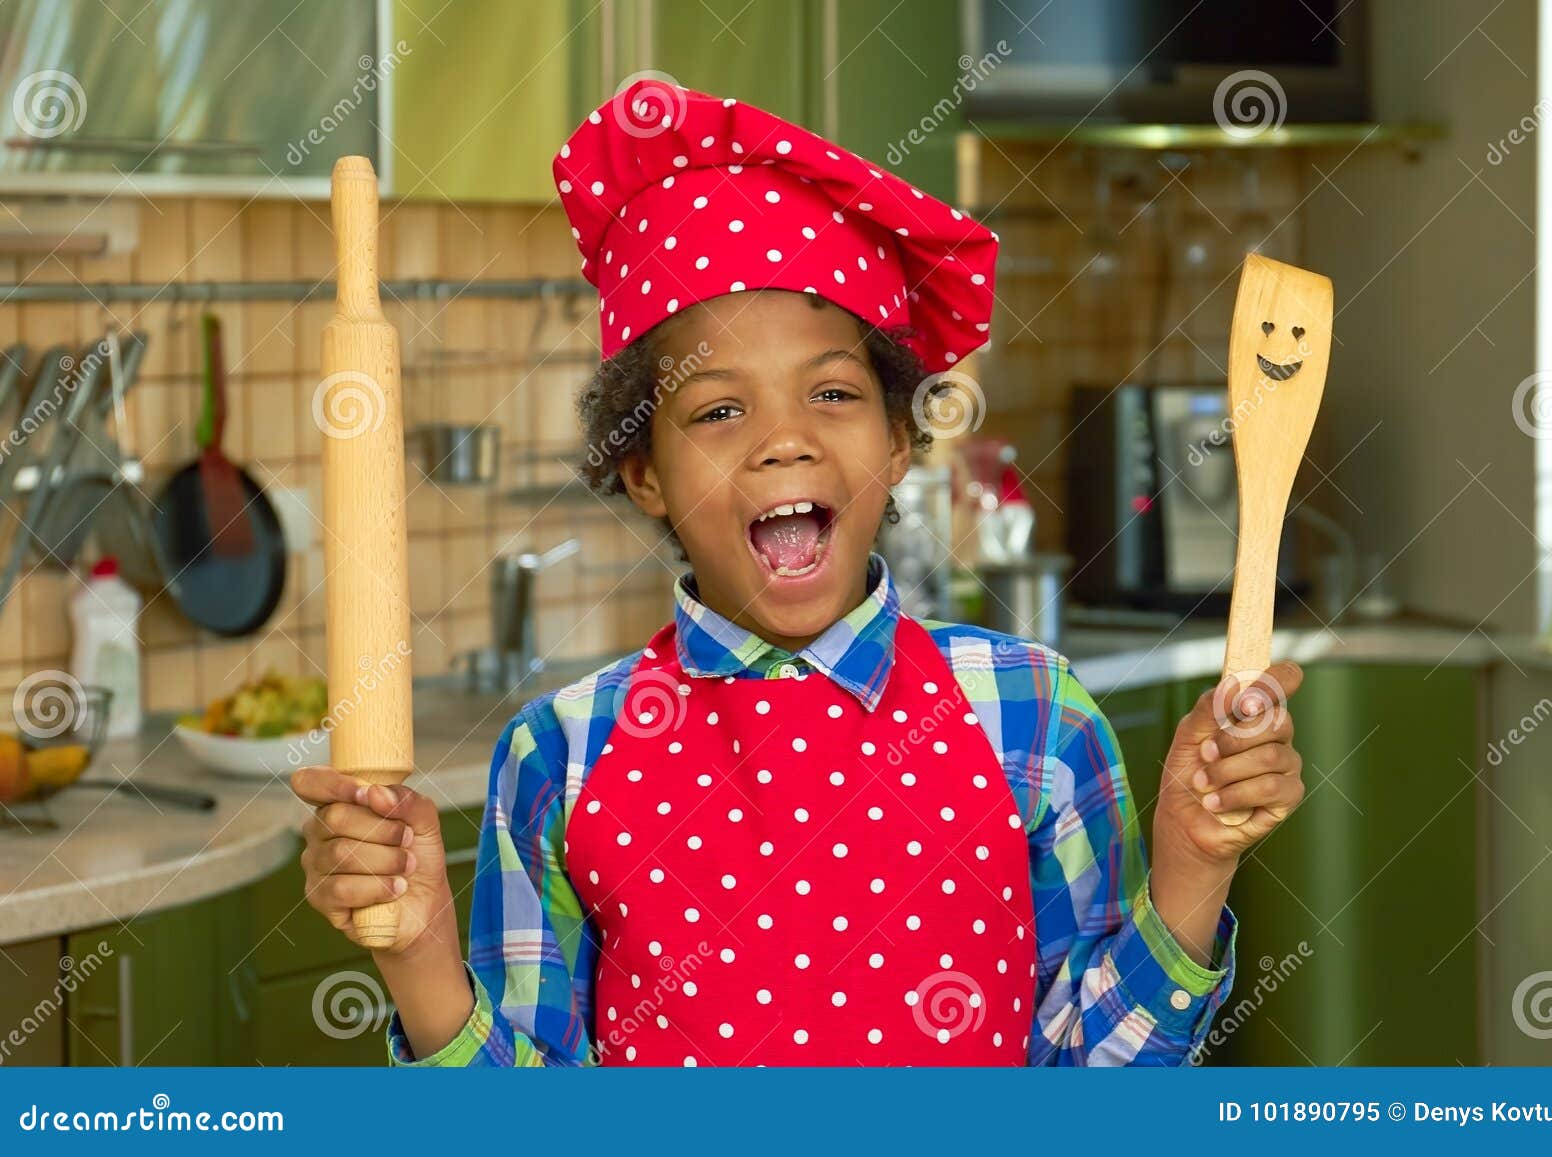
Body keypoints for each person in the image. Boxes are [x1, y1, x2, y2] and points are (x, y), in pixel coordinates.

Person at [290, 81, 1305, 1067]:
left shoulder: (1031, 714)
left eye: (830, 391)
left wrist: (1190, 868)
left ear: (901, 439)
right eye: (720, 409)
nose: (783, 440)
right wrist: (419, 957)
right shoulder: (562, 756)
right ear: (642, 468)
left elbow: (1099, 1086)